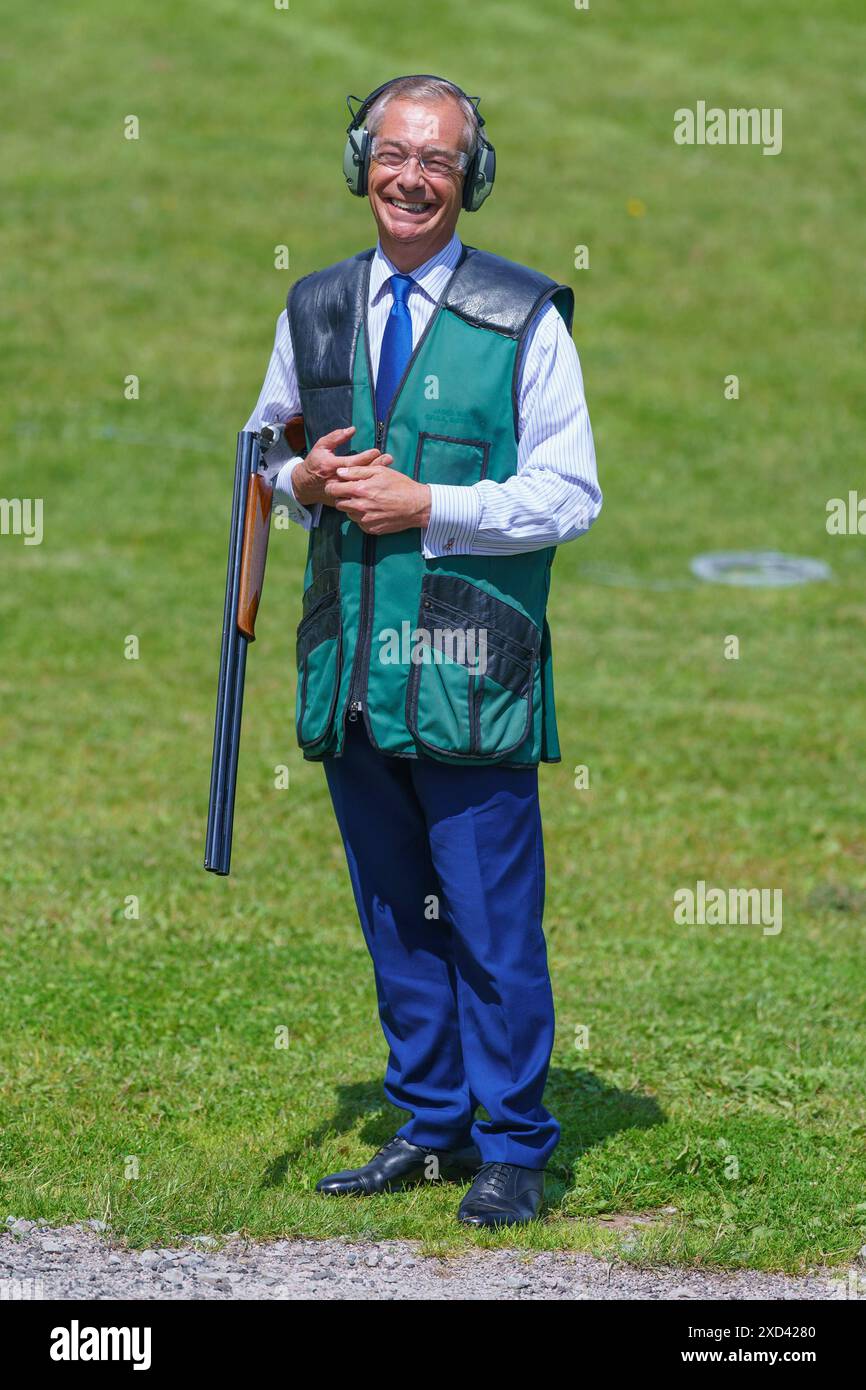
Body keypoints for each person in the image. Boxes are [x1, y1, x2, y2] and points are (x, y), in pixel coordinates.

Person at [245, 74, 601, 1227]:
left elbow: (570, 493)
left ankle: (512, 1146)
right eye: (393, 154)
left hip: (468, 669)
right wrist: (296, 479)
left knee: (489, 916)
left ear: (471, 180)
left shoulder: (522, 317)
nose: (411, 177)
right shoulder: (314, 308)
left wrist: (430, 503)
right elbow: (265, 446)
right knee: (397, 909)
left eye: (437, 161)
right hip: (350, 663)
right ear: (361, 161)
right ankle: (432, 1123)